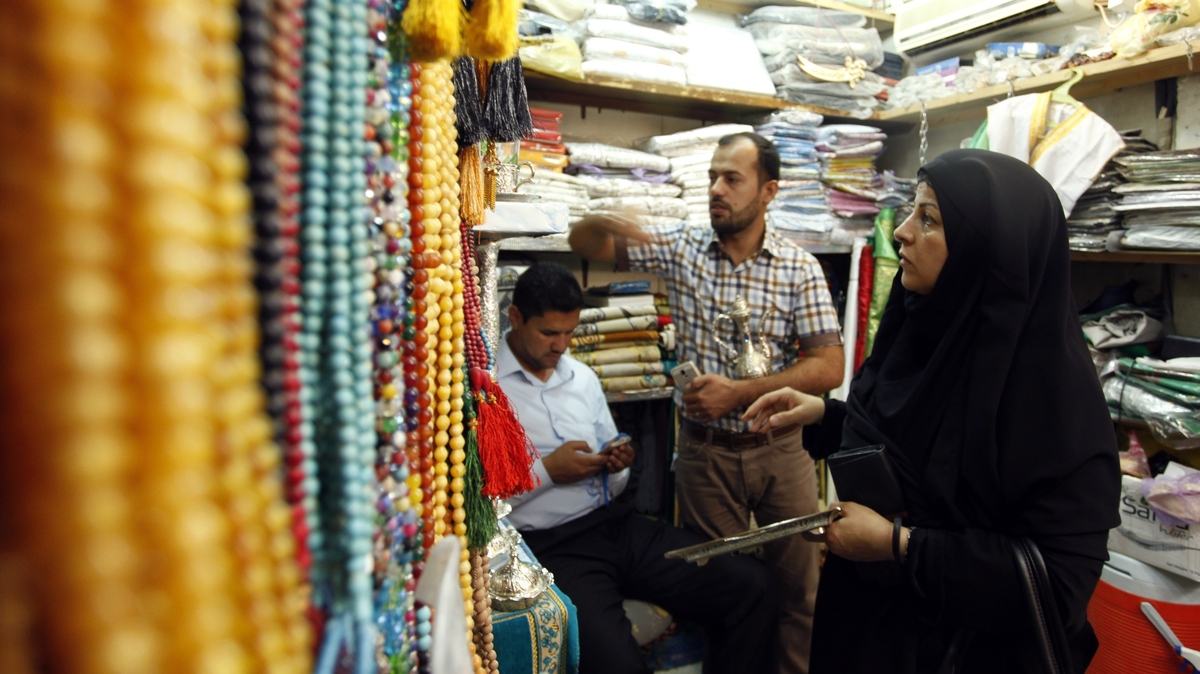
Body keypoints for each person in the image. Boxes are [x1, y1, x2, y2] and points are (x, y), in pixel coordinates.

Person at [743, 149, 1121, 674]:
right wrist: (828, 419)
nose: (901, 232)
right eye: (911, 212)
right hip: (868, 634)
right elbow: (916, 453)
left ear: (986, 250)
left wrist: (898, 546)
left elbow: (1056, 584)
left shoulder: (1052, 405)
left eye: (929, 219)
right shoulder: (921, 340)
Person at [568, 132, 844, 674]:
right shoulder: (683, 246)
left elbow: (829, 367)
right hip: (706, 458)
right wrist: (612, 223)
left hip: (782, 452)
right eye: (713, 177)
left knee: (798, 595)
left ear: (768, 191)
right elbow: (585, 243)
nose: (716, 189)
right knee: (719, 591)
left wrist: (740, 392)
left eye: (732, 179)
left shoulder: (799, 267)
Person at [499, 262, 780, 674]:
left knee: (754, 587)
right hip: (552, 546)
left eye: (569, 332)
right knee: (616, 664)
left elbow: (614, 470)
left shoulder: (581, 377)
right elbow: (480, 500)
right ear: (516, 318)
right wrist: (546, 473)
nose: (561, 345)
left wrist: (616, 463)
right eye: (548, 333)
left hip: (617, 525)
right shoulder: (486, 388)